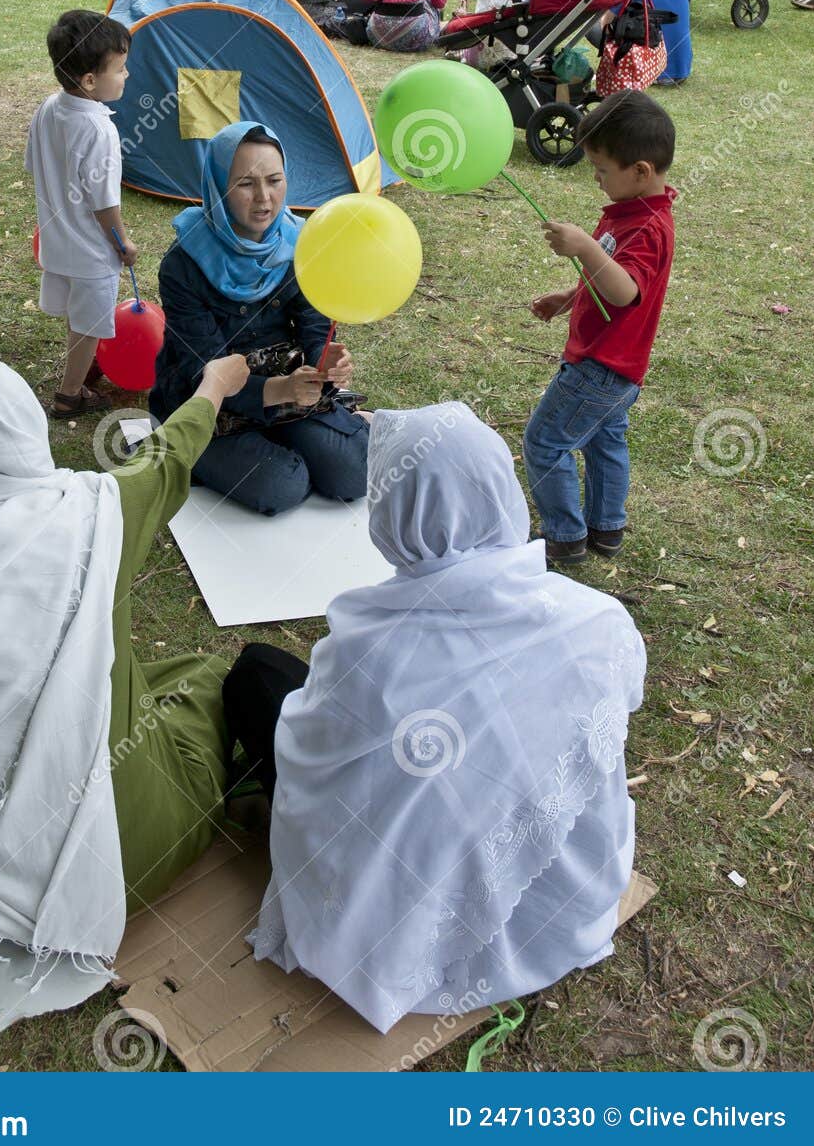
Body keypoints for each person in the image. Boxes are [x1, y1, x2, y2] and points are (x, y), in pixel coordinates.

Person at [0, 350, 249, 1030]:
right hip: (115, 863)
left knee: (144, 677)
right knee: (207, 676)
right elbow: (169, 455)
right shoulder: (92, 515)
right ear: (27, 431)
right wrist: (215, 385)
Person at [242, 400, 646, 1030]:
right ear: (500, 489)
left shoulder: (366, 648)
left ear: (391, 516)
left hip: (419, 926)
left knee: (258, 675)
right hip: (569, 906)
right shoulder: (598, 620)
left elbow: (311, 767)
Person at [150, 122, 368, 516]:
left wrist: (326, 360)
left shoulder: (300, 243)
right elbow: (204, 370)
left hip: (285, 389)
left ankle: (288, 437)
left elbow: (314, 325)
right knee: (282, 485)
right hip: (208, 401)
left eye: (275, 180)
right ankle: (196, 447)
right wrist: (283, 390)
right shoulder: (183, 265)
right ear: (219, 186)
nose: (264, 198)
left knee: (353, 473)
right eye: (245, 184)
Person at [524, 91, 676, 565]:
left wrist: (586, 248)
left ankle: (564, 536)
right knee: (604, 441)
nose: (596, 178)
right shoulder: (630, 210)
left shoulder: (649, 228)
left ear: (641, 171)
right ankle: (606, 528)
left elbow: (626, 291)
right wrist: (570, 297)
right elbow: (611, 277)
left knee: (545, 442)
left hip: (600, 367)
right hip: (618, 368)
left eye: (602, 169)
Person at [26, 9, 138, 419]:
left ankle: (82, 368)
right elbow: (104, 203)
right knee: (89, 324)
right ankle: (69, 395)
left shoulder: (47, 108)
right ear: (90, 80)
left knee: (78, 315)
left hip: (58, 244)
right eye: (120, 69)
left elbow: (35, 165)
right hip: (92, 254)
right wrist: (122, 242)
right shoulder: (99, 129)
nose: (126, 75)